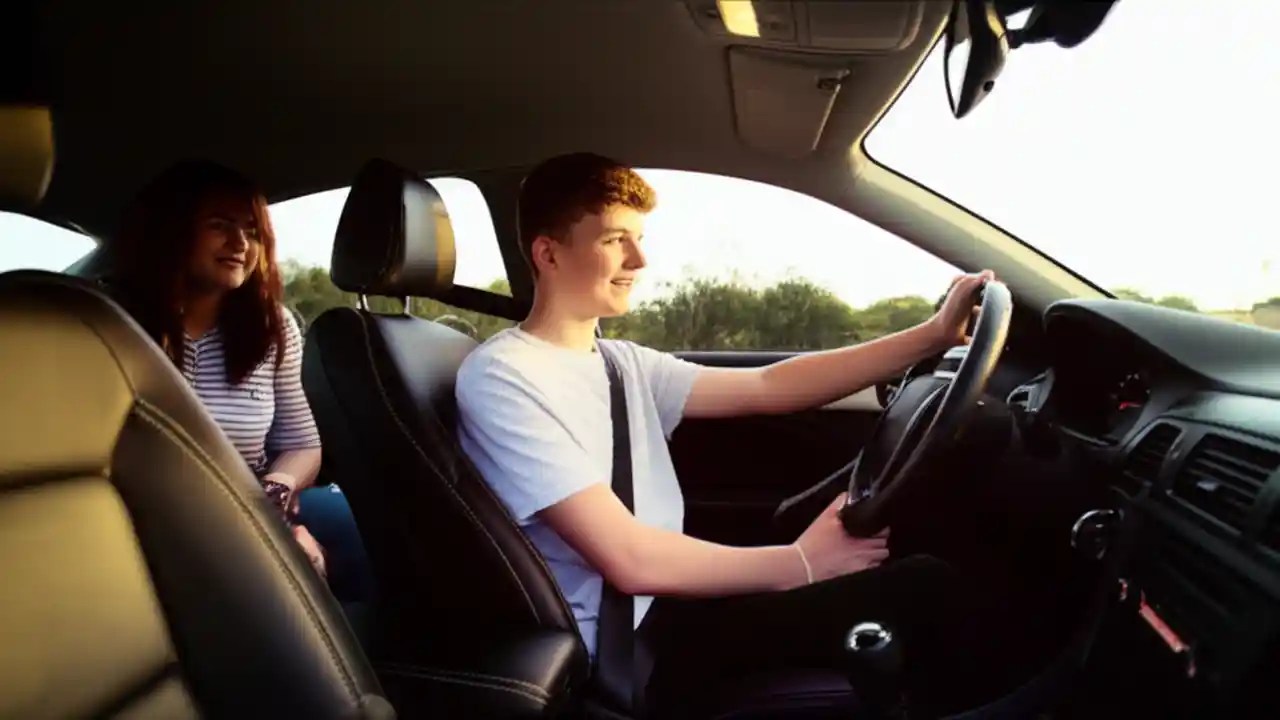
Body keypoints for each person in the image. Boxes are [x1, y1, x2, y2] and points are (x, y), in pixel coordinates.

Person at [455, 152, 995, 715]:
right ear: (549, 253)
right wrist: (799, 564)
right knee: (927, 590)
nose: (639, 259)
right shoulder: (504, 376)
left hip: (671, 604)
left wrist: (932, 336)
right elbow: (629, 559)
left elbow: (767, 386)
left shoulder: (619, 363)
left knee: (916, 563)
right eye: (616, 239)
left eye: (639, 238)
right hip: (631, 648)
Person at [112, 160, 373, 604]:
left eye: (252, 232)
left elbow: (302, 442)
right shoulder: (114, 323)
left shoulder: (274, 328)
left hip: (250, 499)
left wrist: (272, 503)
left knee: (354, 522)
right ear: (171, 231)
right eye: (219, 225)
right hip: (148, 513)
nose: (240, 243)